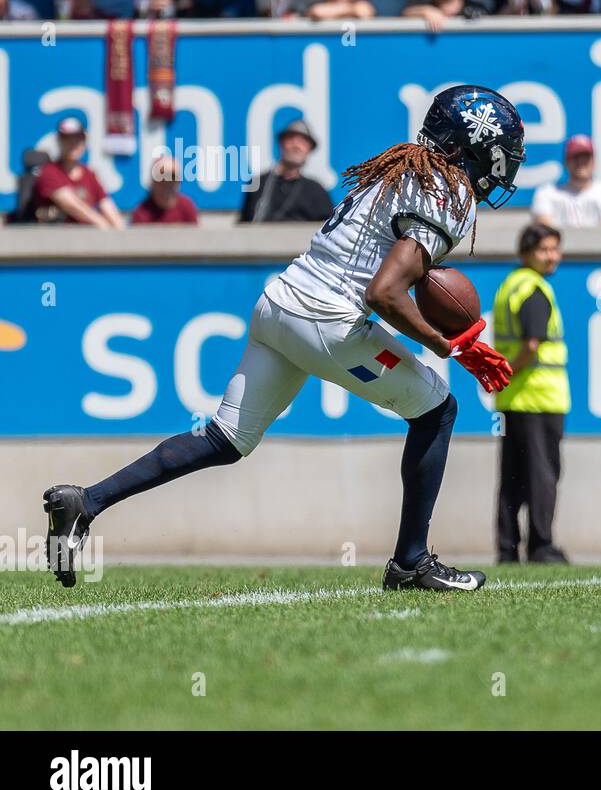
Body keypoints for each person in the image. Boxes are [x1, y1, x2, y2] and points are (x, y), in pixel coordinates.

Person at [42, 85, 524, 592]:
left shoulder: (399, 172)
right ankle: (410, 562)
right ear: (476, 145)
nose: (503, 169)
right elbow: (385, 293)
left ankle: (86, 502)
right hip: (328, 319)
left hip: (279, 302)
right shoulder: (446, 193)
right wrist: (448, 344)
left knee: (223, 439)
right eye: (501, 155)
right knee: (437, 409)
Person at [493, 223, 571, 565]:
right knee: (542, 475)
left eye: (555, 249)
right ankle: (542, 546)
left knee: (512, 478)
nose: (552, 256)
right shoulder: (534, 289)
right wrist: (511, 370)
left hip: (513, 400)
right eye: (544, 250)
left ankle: (507, 549)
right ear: (526, 253)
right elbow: (532, 344)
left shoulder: (510, 286)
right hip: (540, 398)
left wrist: (503, 377)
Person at [32, 117, 125, 228]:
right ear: (59, 141)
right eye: (67, 138)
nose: (73, 143)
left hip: (90, 239)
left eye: (78, 138)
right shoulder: (48, 172)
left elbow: (107, 205)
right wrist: (103, 225)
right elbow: (72, 206)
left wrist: (121, 232)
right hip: (57, 238)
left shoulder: (89, 174)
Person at [239, 120, 336, 223]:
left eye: (303, 142)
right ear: (281, 144)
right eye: (291, 139)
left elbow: (328, 231)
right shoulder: (259, 184)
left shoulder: (316, 190)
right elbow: (245, 225)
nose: (296, 145)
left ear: (309, 150)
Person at [530, 135, 601, 226]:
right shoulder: (547, 192)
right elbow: (544, 229)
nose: (581, 162)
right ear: (566, 161)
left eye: (586, 157)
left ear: (594, 161)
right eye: (576, 157)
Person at [131, 154, 199, 224]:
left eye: (172, 178)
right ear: (153, 181)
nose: (167, 183)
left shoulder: (187, 208)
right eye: (162, 178)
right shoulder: (141, 213)